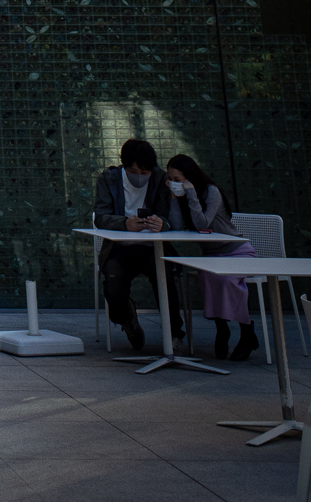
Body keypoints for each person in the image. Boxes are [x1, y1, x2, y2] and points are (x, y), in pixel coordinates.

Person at [93, 137, 184, 351]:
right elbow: (101, 216)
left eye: (145, 173)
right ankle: (126, 319)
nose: (140, 177)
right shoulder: (109, 178)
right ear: (124, 166)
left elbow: (168, 216)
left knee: (165, 279)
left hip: (152, 247)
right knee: (113, 285)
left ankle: (174, 334)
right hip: (119, 248)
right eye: (134, 172)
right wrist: (125, 223)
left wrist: (161, 223)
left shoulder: (160, 178)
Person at [166, 153, 258, 360]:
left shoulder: (211, 192)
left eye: (177, 180)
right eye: (170, 179)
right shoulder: (182, 198)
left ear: (190, 178)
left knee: (225, 279)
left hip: (237, 252)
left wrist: (191, 195)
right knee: (206, 277)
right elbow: (178, 227)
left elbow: (202, 224)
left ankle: (246, 332)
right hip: (212, 255)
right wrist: (174, 198)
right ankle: (222, 328)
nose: (173, 183)